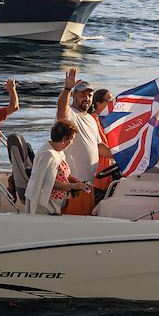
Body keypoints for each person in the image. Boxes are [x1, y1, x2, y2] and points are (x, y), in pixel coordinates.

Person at [56, 70, 112, 215]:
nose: (86, 98)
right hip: (72, 183)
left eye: (89, 95)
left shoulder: (91, 119)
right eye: (82, 95)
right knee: (72, 220)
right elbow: (61, 108)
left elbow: (98, 146)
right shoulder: (69, 114)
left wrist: (119, 154)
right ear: (74, 96)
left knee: (85, 217)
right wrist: (67, 88)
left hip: (88, 184)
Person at [26, 122, 89, 215]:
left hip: (56, 202)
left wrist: (72, 180)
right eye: (70, 140)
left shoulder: (57, 150)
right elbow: (50, 182)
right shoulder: (48, 154)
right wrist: (75, 186)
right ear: (64, 139)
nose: (71, 143)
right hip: (45, 204)